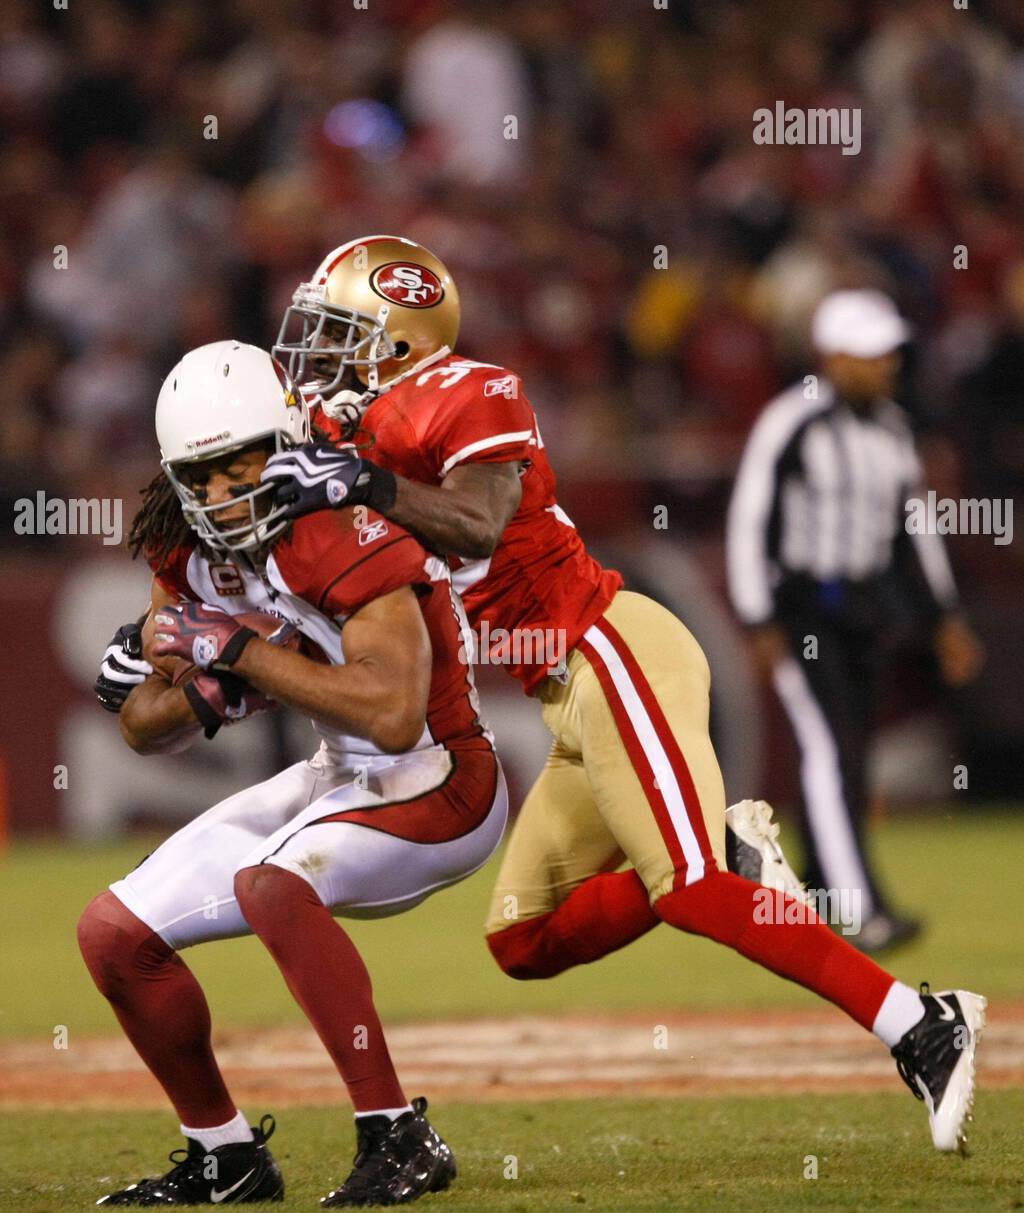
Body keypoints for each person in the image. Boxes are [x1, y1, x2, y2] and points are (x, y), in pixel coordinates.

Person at [256, 238, 986, 1153]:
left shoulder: (469, 389)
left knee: (691, 889)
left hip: (609, 648)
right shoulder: (350, 438)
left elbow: (479, 515)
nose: (320, 356)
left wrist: (361, 481)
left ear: (399, 338)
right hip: (566, 690)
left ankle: (919, 1023)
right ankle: (731, 850)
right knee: (522, 941)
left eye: (342, 332)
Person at [80, 340, 507, 1208]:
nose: (228, 494)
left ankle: (398, 1134)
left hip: (443, 775)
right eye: (205, 476)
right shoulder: (185, 545)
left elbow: (393, 711)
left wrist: (237, 653)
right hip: (340, 772)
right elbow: (141, 727)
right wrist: (206, 681)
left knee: (273, 885)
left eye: (246, 466)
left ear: (286, 445)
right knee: (113, 935)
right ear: (176, 476)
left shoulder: (335, 527)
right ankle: (224, 1158)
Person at [726, 289, 984, 953]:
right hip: (803, 606)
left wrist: (943, 618)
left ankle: (812, 893)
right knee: (831, 749)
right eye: (870, 356)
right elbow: (751, 519)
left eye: (888, 355)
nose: (885, 368)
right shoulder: (792, 421)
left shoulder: (892, 430)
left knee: (850, 755)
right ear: (833, 356)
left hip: (865, 612)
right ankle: (861, 908)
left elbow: (913, 531)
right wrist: (758, 618)